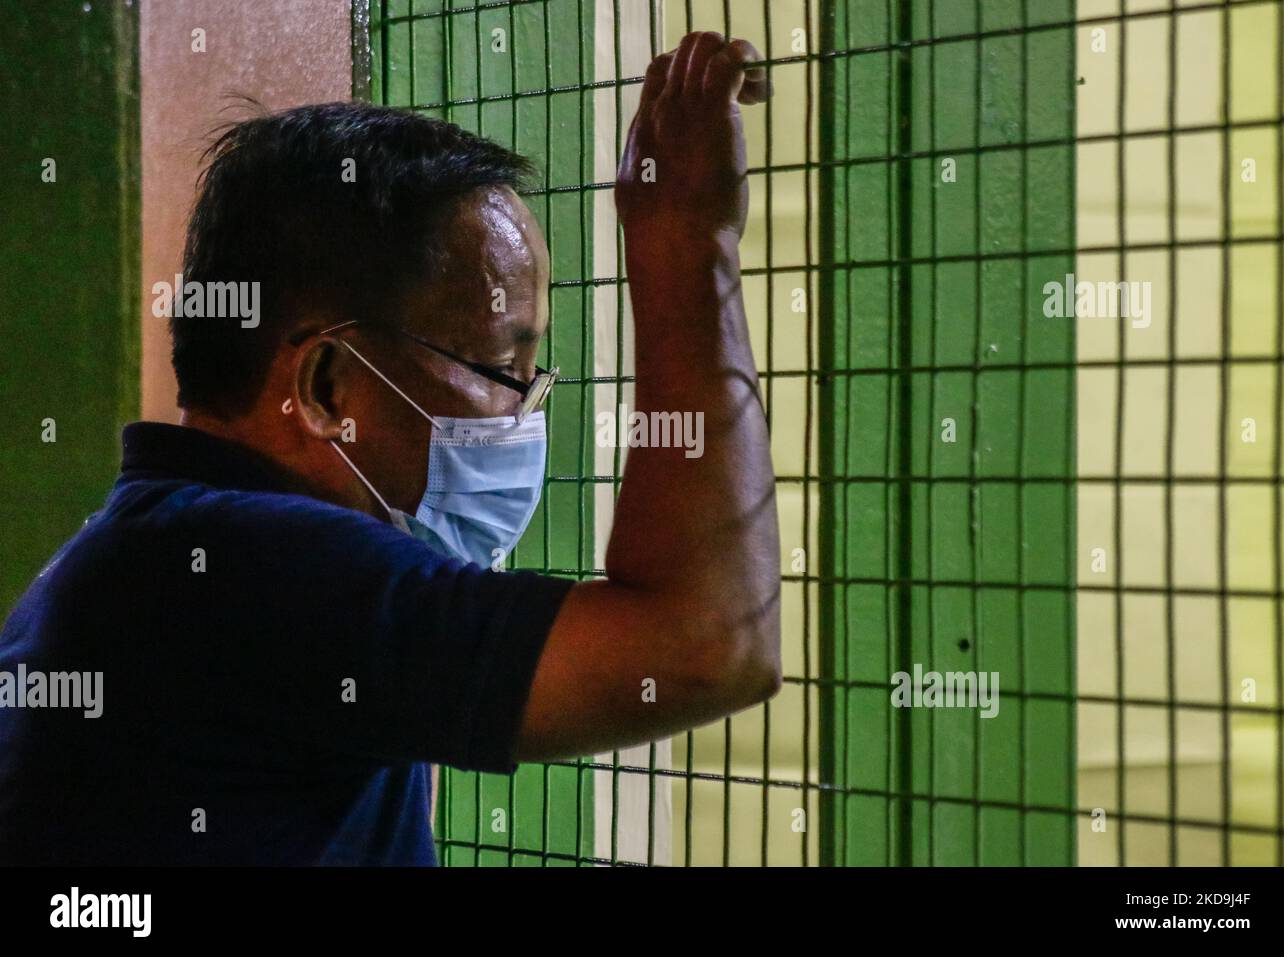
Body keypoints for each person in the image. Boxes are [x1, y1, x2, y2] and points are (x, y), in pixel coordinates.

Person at [0, 32, 780, 865]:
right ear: (329, 384)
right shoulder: (249, 566)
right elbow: (706, 645)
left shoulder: (150, 553)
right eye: (497, 367)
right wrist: (684, 238)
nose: (522, 412)